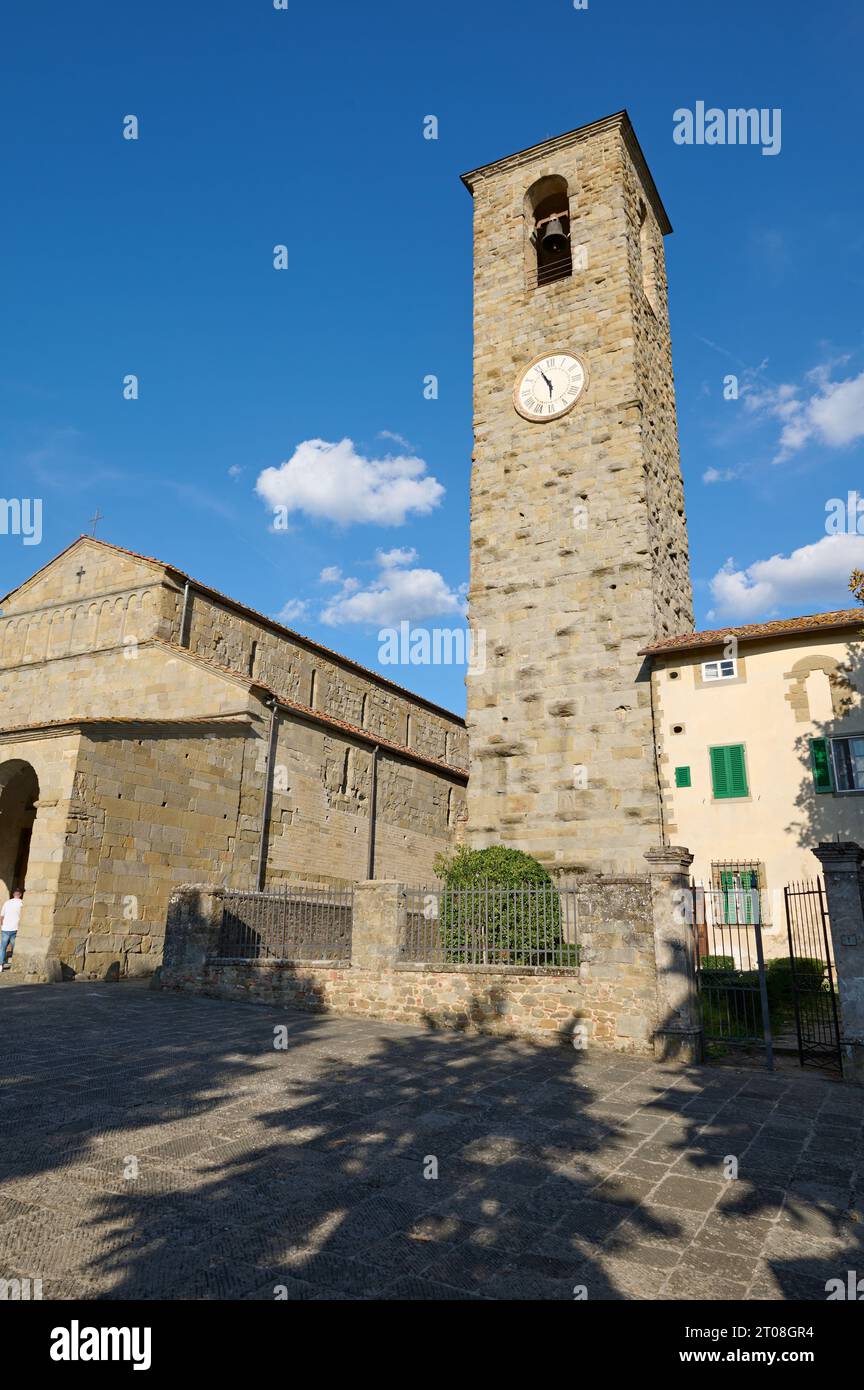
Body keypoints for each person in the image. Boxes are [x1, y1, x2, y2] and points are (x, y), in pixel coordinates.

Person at [0, 890, 23, 970]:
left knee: (3, 948)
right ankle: (14, 965)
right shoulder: (22, 903)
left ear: (13, 895)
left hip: (5, 928)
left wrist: (2, 926)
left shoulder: (7, 902)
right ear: (20, 895)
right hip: (15, 928)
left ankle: (0, 965)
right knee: (15, 948)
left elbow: (1, 916)